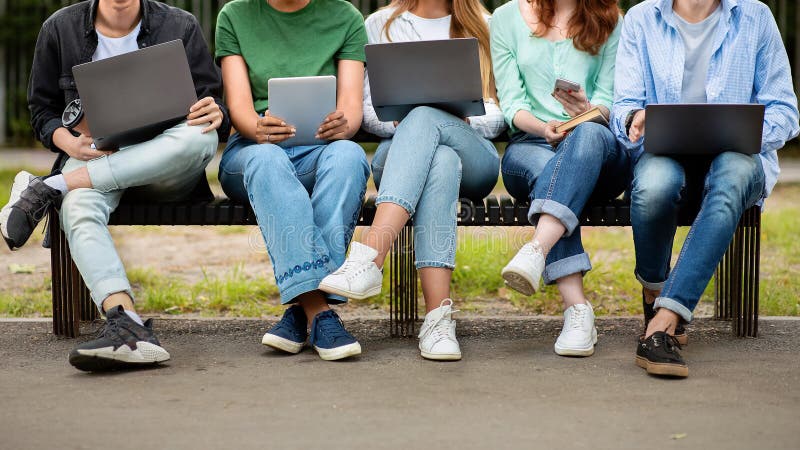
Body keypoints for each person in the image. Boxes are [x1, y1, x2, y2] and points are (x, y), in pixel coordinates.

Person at [0, 0, 228, 372]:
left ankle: (52, 185)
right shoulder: (60, 28)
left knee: (200, 139)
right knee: (77, 206)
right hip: (96, 157)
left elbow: (213, 107)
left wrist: (217, 112)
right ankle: (127, 324)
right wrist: (69, 142)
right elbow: (41, 111)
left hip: (164, 169)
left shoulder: (180, 25)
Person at [612, 0, 799, 377]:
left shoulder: (755, 17)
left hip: (737, 157)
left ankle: (663, 321)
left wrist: (741, 130)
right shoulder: (642, 19)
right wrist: (635, 119)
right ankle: (654, 288)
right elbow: (624, 107)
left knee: (730, 179)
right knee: (653, 185)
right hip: (665, 153)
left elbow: (785, 111)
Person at [318, 0, 505, 361]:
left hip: (474, 155)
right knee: (439, 156)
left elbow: (502, 110)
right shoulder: (379, 25)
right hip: (403, 154)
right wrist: (398, 122)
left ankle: (370, 258)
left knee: (429, 122)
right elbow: (367, 110)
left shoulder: (486, 24)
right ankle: (438, 320)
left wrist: (462, 119)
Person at [215, 0, 370, 361]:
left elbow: (351, 105)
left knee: (349, 155)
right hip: (254, 152)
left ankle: (300, 313)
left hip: (320, 148)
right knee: (269, 160)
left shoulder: (344, 16)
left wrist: (344, 123)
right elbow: (238, 107)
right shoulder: (234, 16)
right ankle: (319, 311)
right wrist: (257, 127)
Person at [491, 0, 623, 357]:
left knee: (587, 138)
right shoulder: (505, 19)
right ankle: (577, 309)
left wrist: (585, 112)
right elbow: (512, 103)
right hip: (532, 143)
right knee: (551, 175)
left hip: (594, 141)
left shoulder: (611, 19)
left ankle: (537, 250)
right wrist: (543, 127)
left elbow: (612, 98)